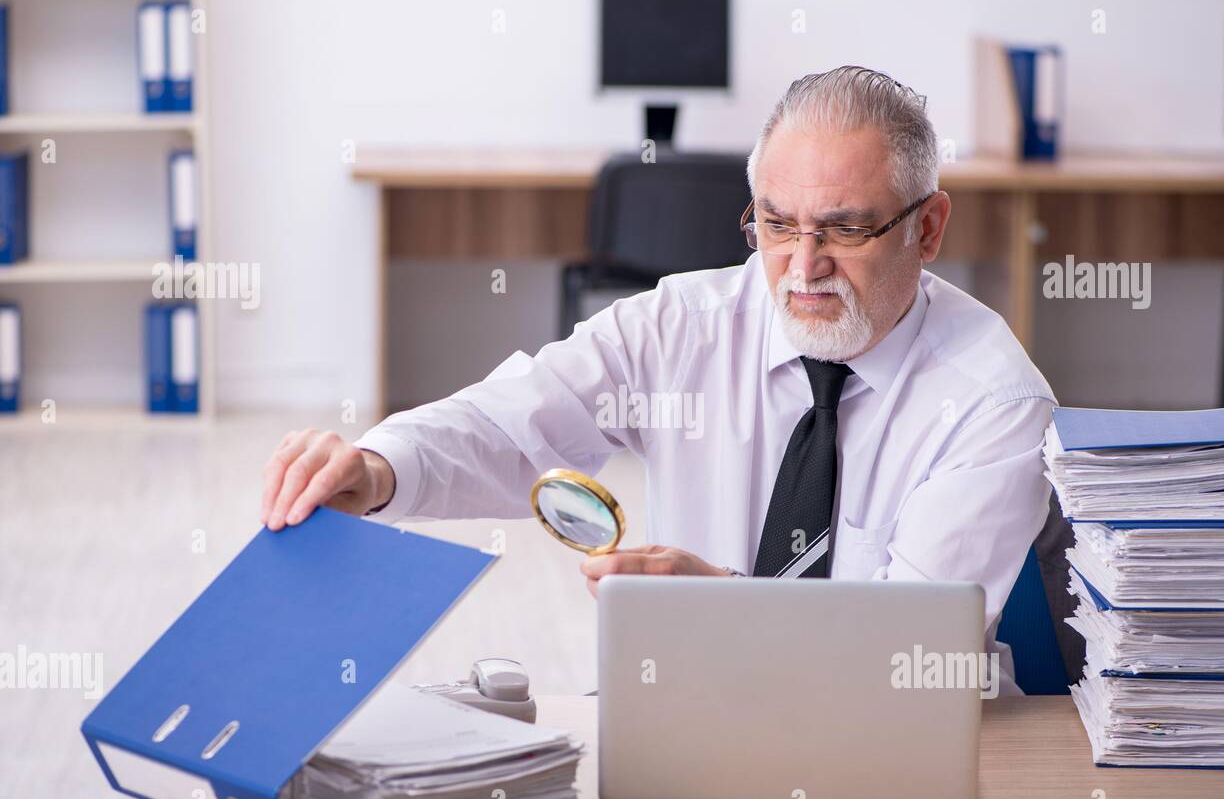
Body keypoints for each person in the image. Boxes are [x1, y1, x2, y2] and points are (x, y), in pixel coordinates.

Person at [260, 66, 1056, 693]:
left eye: (845, 229)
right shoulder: (688, 323)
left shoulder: (992, 400)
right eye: (777, 224)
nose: (804, 267)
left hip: (902, 749)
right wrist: (376, 468)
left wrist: (728, 606)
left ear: (928, 227)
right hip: (688, 709)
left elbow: (912, 656)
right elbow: (516, 422)